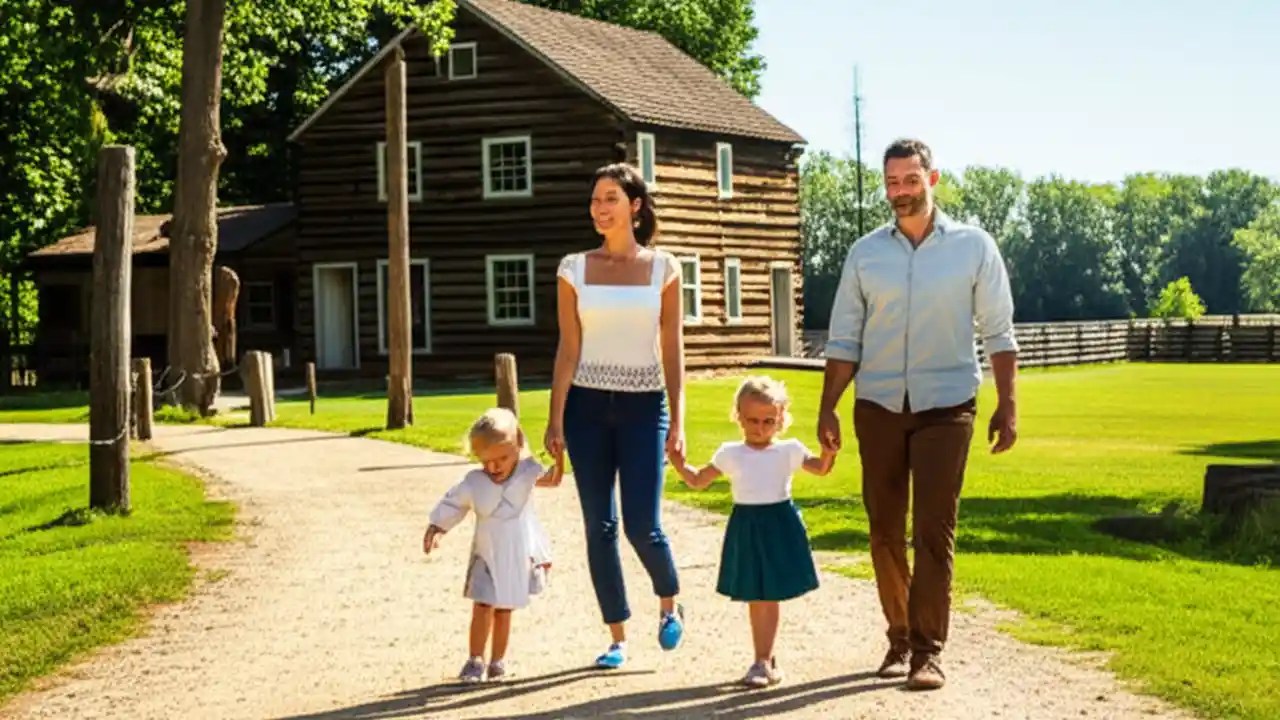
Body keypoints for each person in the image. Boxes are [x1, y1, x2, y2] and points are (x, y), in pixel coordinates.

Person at [818, 138, 1019, 691]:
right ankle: (900, 633)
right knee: (884, 530)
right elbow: (844, 338)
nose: (900, 192)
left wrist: (1008, 404)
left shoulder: (974, 247)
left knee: (933, 530)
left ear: (932, 179)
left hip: (947, 405)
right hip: (878, 405)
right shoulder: (865, 253)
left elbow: (999, 332)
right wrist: (828, 407)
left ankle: (928, 651)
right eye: (891, 182)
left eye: (910, 180)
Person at [544, 162, 687, 669]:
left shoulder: (663, 268)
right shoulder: (573, 268)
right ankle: (617, 637)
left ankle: (670, 601)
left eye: (610, 198)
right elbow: (568, 347)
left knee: (641, 525)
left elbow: (672, 350)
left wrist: (681, 422)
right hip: (585, 408)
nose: (599, 208)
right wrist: (555, 416)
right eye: (594, 200)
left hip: (645, 407)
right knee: (599, 526)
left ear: (635, 205)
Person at [675, 376, 834, 688]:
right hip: (746, 526)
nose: (759, 427)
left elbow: (820, 468)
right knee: (756, 595)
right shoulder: (730, 453)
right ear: (738, 416)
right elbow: (697, 479)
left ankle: (763, 660)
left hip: (779, 524)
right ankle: (764, 659)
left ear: (781, 420)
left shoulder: (788, 450)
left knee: (769, 595)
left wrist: (829, 451)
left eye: (768, 421)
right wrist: (678, 462)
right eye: (751, 420)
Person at [423, 407, 564, 683]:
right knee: (483, 604)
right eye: (486, 461)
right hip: (485, 553)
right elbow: (454, 503)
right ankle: (475, 659)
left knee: (504, 608)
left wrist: (560, 457)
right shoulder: (475, 482)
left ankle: (498, 660)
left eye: (502, 458)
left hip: (515, 551)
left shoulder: (527, 472)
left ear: (519, 446)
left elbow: (554, 480)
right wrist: (437, 527)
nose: (494, 467)